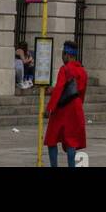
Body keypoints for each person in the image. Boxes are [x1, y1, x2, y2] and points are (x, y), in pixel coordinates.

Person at [44, 40, 87, 168]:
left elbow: (59, 89)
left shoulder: (65, 69)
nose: (62, 57)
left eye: (63, 54)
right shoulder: (83, 71)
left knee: (51, 139)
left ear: (67, 55)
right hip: (76, 108)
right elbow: (81, 93)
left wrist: (49, 108)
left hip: (63, 109)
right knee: (71, 141)